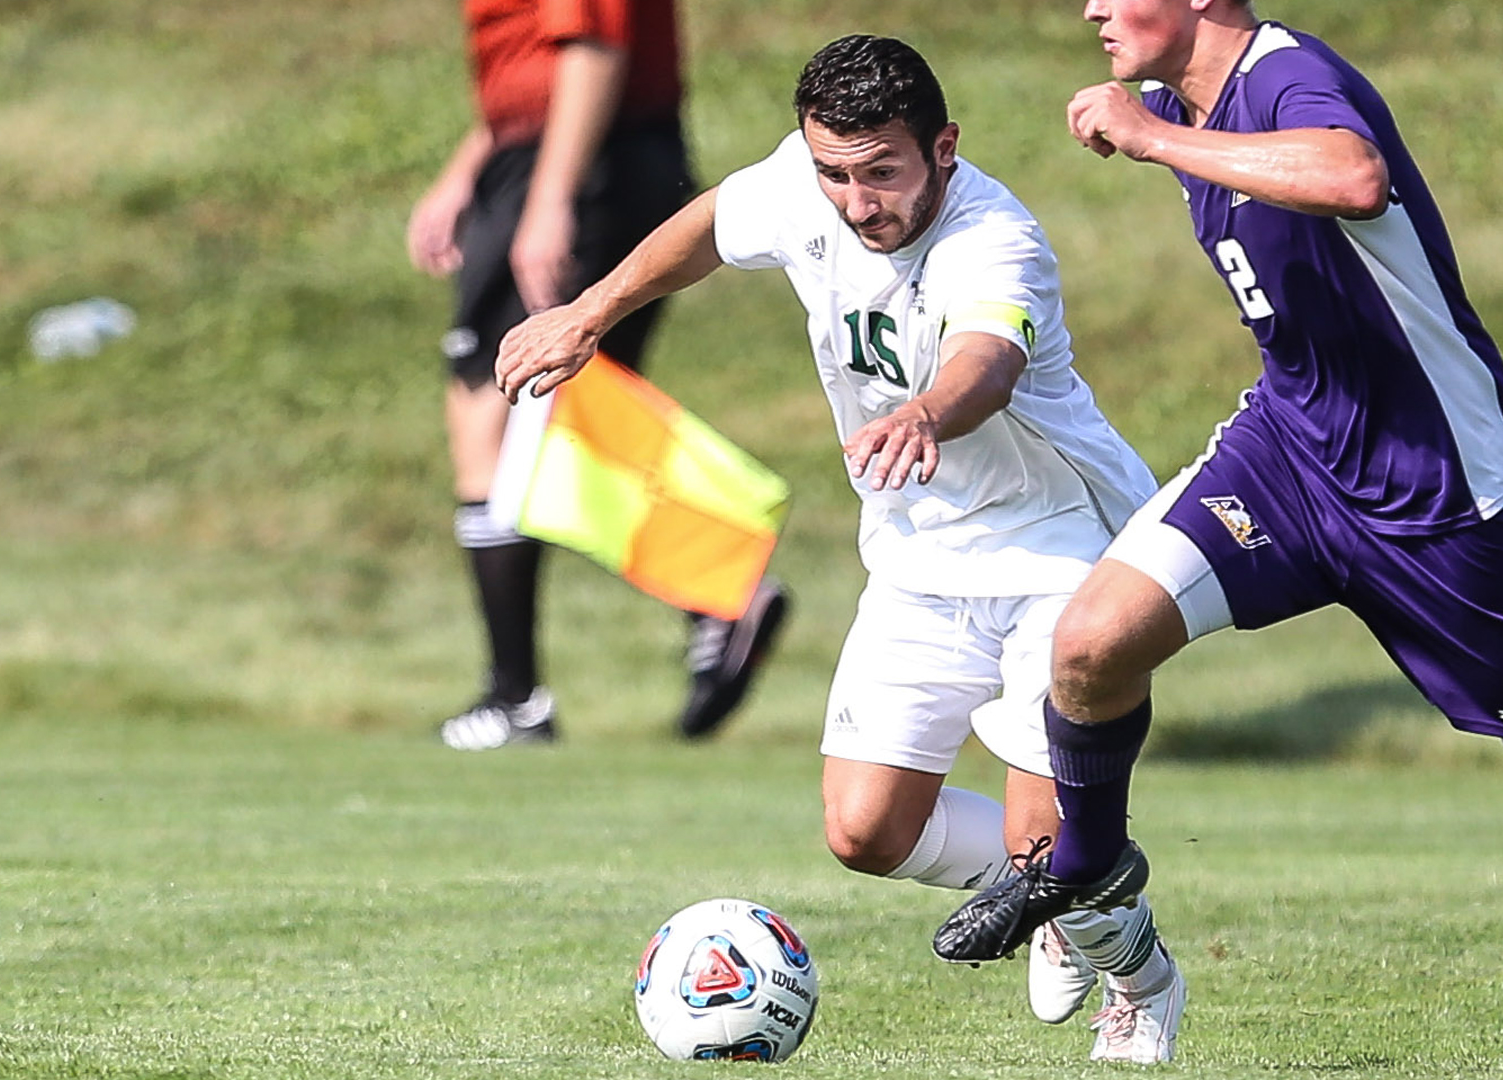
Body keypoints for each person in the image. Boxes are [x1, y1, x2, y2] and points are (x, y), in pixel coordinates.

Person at [930, 1, 1503, 1070]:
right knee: (1090, 644)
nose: (1092, 8)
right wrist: (1160, 123)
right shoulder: (1183, 105)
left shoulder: (1284, 77)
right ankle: (1090, 874)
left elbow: (1354, 176)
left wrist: (1153, 135)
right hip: (1291, 458)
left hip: (1448, 503)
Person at [497, 33, 1185, 1063]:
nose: (859, 202)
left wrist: (928, 416)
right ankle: (1061, 885)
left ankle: (1137, 980)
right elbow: (709, 225)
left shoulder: (996, 238)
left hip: (1055, 554)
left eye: (883, 174)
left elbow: (986, 361)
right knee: (865, 831)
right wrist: (589, 314)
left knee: (1045, 853)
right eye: (835, 174)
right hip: (914, 554)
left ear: (942, 149)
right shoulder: (802, 184)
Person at [406, 0, 788, 751]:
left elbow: (593, 51)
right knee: (533, 415)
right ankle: (717, 598)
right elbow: (534, 67)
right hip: (543, 156)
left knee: (507, 407)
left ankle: (520, 696)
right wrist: (470, 169)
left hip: (582, 161)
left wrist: (548, 203)